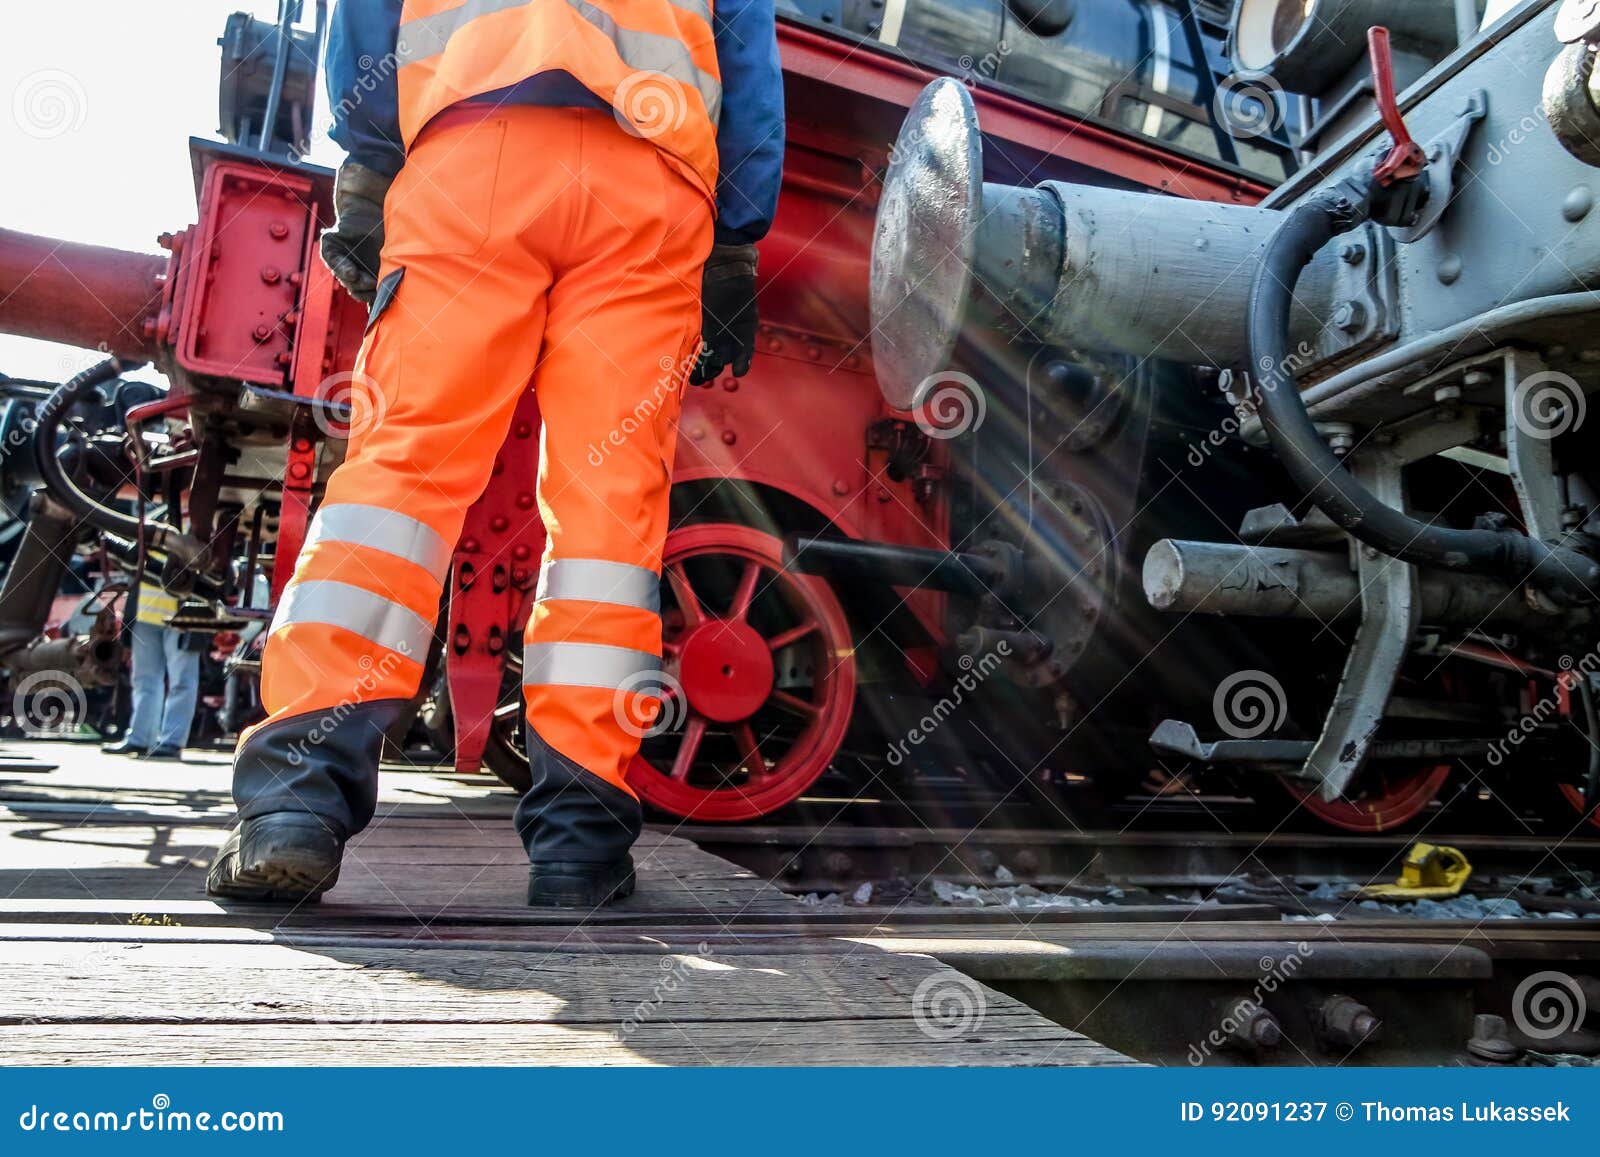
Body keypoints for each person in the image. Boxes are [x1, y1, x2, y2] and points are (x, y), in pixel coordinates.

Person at [208, 0, 785, 907]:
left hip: (471, 152)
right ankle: (581, 842)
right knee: (609, 517)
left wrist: (367, 160)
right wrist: (739, 242)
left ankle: (295, 801)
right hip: (653, 185)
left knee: (399, 476)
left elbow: (365, 19)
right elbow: (747, 64)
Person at [103, 581, 199, 760]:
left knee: (181, 680)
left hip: (183, 616)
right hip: (146, 614)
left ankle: (171, 742)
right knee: (144, 680)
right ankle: (140, 738)